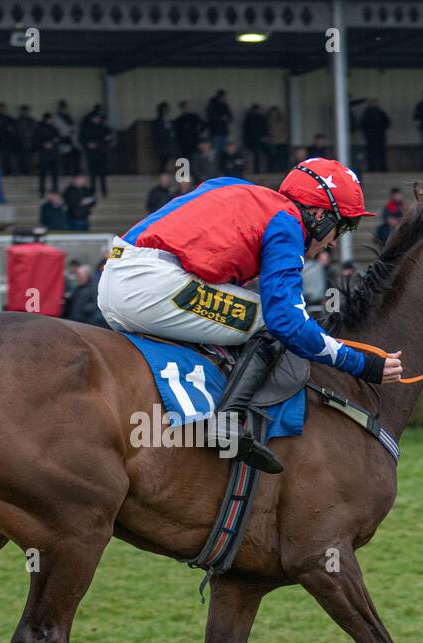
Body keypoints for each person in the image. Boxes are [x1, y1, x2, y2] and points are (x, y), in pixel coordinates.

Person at [97, 158, 402, 474]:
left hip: (117, 277)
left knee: (252, 310)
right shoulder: (287, 224)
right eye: (345, 224)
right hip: (150, 284)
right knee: (271, 322)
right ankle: (227, 420)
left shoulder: (233, 186)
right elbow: (287, 323)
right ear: (321, 215)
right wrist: (361, 364)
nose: (335, 240)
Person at [81, 112, 113, 197]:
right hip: (91, 155)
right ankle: (92, 191)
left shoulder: (104, 128)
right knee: (93, 175)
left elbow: (108, 140)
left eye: (98, 118)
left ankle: (104, 191)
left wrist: (97, 144)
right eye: (95, 118)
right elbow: (82, 140)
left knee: (102, 175)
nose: (97, 120)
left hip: (102, 154)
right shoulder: (87, 129)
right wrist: (88, 145)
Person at [33, 111, 61, 196]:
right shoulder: (39, 129)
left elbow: (59, 139)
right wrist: (43, 144)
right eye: (50, 119)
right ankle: (42, 190)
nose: (51, 120)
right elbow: (35, 141)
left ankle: (55, 189)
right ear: (46, 119)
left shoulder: (54, 128)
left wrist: (56, 141)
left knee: (55, 173)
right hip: (44, 154)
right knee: (43, 173)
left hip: (54, 154)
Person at [360, 99, 390, 173]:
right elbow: (363, 125)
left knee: (378, 153)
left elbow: (387, 123)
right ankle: (374, 168)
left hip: (377, 136)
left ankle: (379, 168)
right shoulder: (368, 113)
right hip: (373, 137)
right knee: (373, 153)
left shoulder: (379, 112)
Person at [0, 103, 18, 176]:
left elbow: (12, 129)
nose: (1, 110)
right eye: (0, 109)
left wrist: (6, 130)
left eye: (3, 109)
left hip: (8, 142)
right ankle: (0, 172)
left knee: (8, 158)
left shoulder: (9, 118)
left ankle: (8, 172)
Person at [152, 102, 177, 174]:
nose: (165, 111)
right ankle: (161, 174)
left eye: (166, 109)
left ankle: (167, 174)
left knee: (169, 160)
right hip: (162, 144)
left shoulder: (170, 121)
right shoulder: (157, 122)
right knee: (163, 161)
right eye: (164, 109)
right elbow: (156, 133)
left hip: (170, 144)